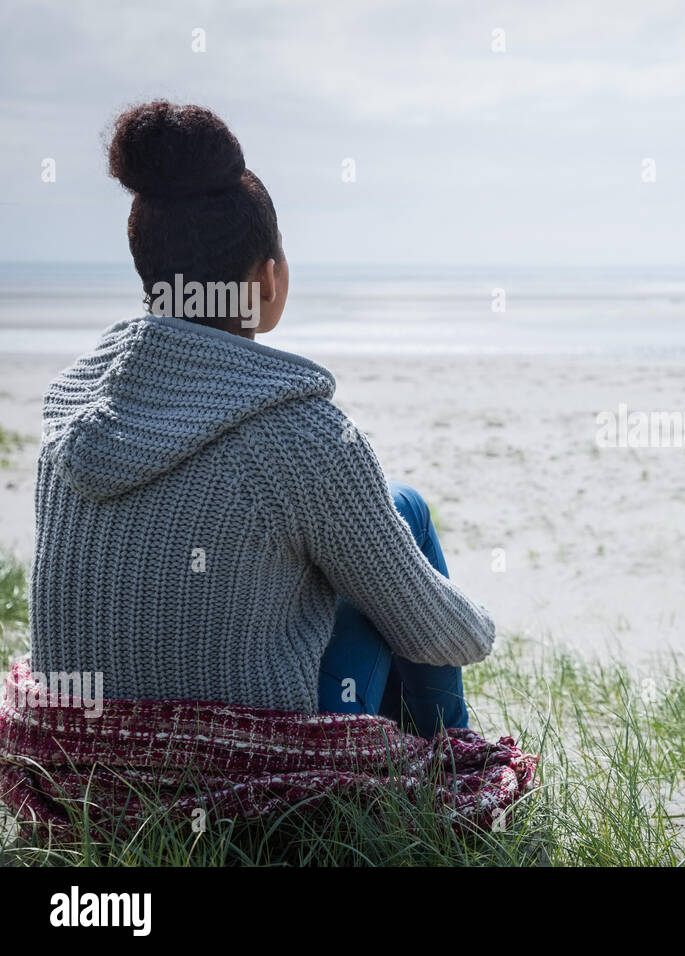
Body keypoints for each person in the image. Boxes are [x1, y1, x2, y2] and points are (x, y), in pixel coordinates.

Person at [28, 100, 492, 736]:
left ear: (149, 274)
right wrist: (480, 625)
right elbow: (441, 636)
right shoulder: (304, 440)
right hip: (252, 774)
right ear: (268, 279)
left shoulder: (68, 419)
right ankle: (452, 760)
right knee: (402, 511)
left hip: (85, 769)